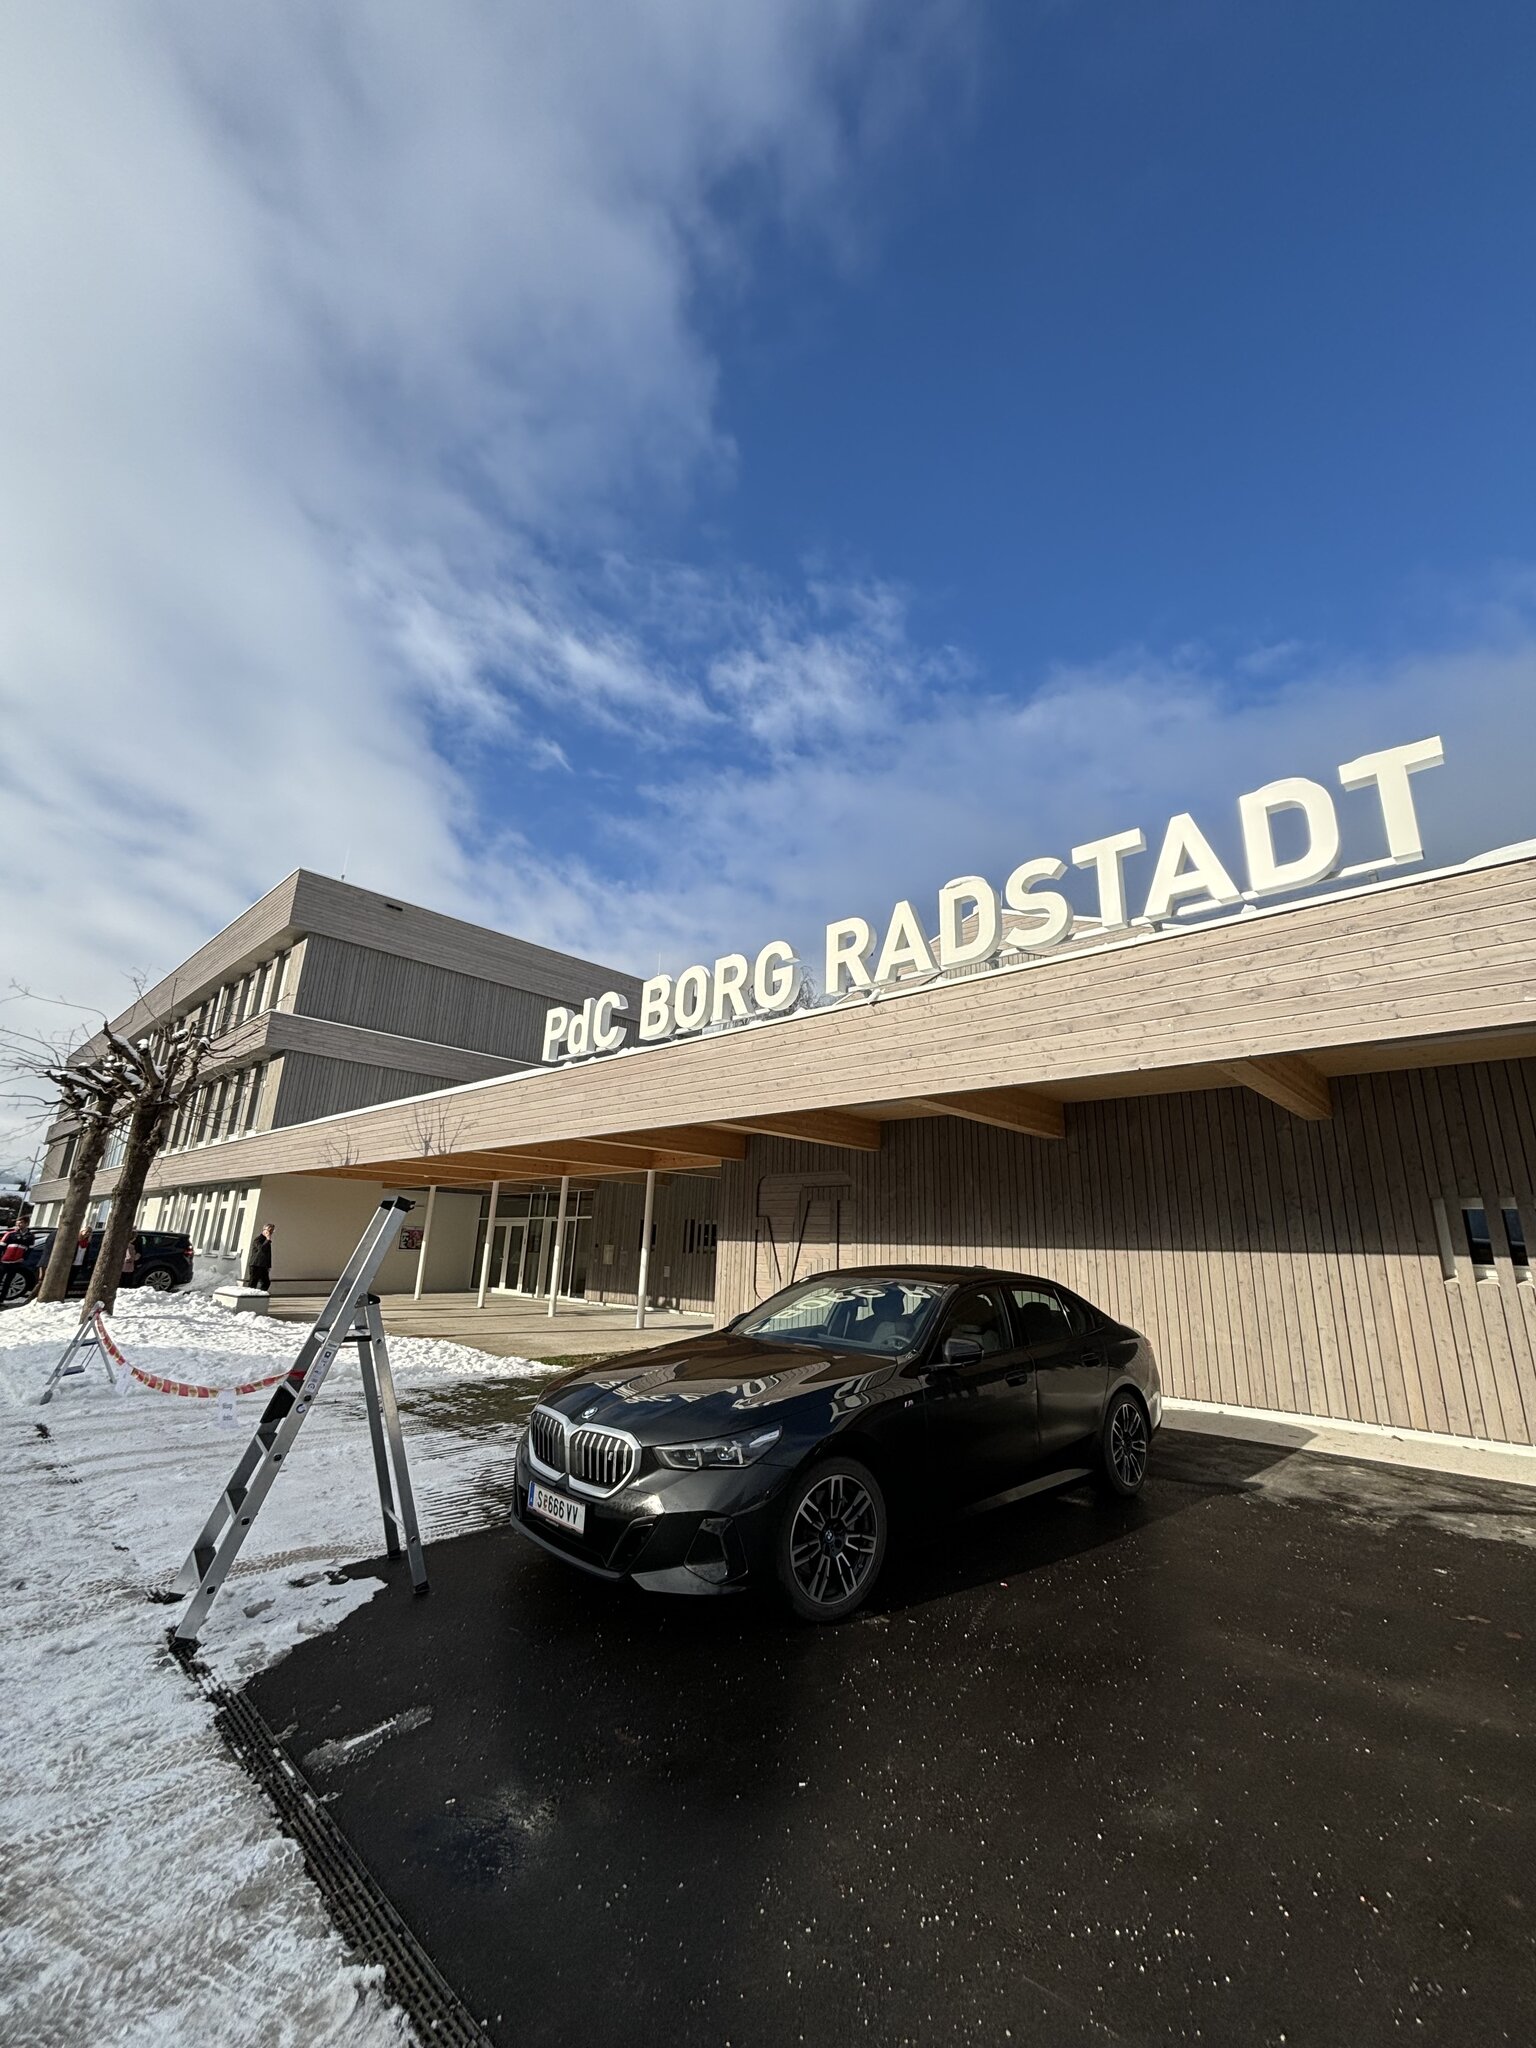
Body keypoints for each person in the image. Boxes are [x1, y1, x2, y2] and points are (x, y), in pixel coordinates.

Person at [245, 1222, 275, 1292]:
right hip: (256, 1265)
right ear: (264, 1230)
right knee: (253, 1283)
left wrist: (268, 1266)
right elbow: (261, 1249)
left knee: (266, 1282)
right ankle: (249, 1297)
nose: (270, 1233)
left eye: (272, 1231)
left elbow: (267, 1255)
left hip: (263, 1266)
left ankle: (260, 1296)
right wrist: (268, 1239)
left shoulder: (266, 1241)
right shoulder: (258, 1239)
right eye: (269, 1230)